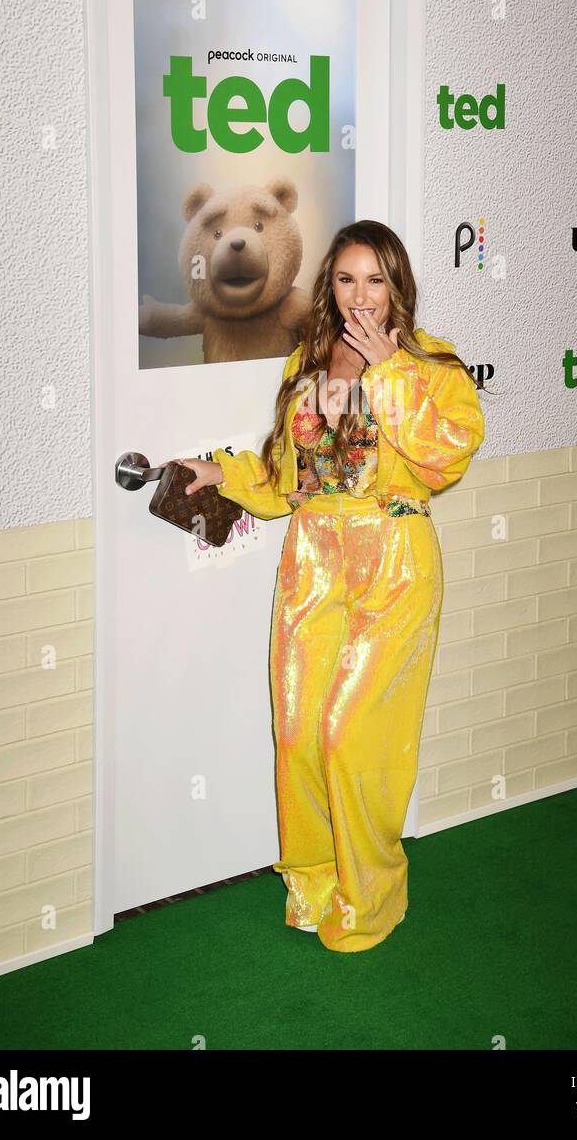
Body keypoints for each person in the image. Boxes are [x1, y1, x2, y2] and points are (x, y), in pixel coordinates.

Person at [172, 221, 486, 952]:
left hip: (395, 558)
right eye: (346, 280)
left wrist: (390, 374)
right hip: (312, 557)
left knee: (354, 738)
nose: (361, 297)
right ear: (329, 287)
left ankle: (371, 898)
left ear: (398, 285)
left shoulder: (433, 365)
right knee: (298, 734)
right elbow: (288, 479)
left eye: (376, 280)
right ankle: (313, 886)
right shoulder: (306, 363)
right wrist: (223, 472)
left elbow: (446, 458)